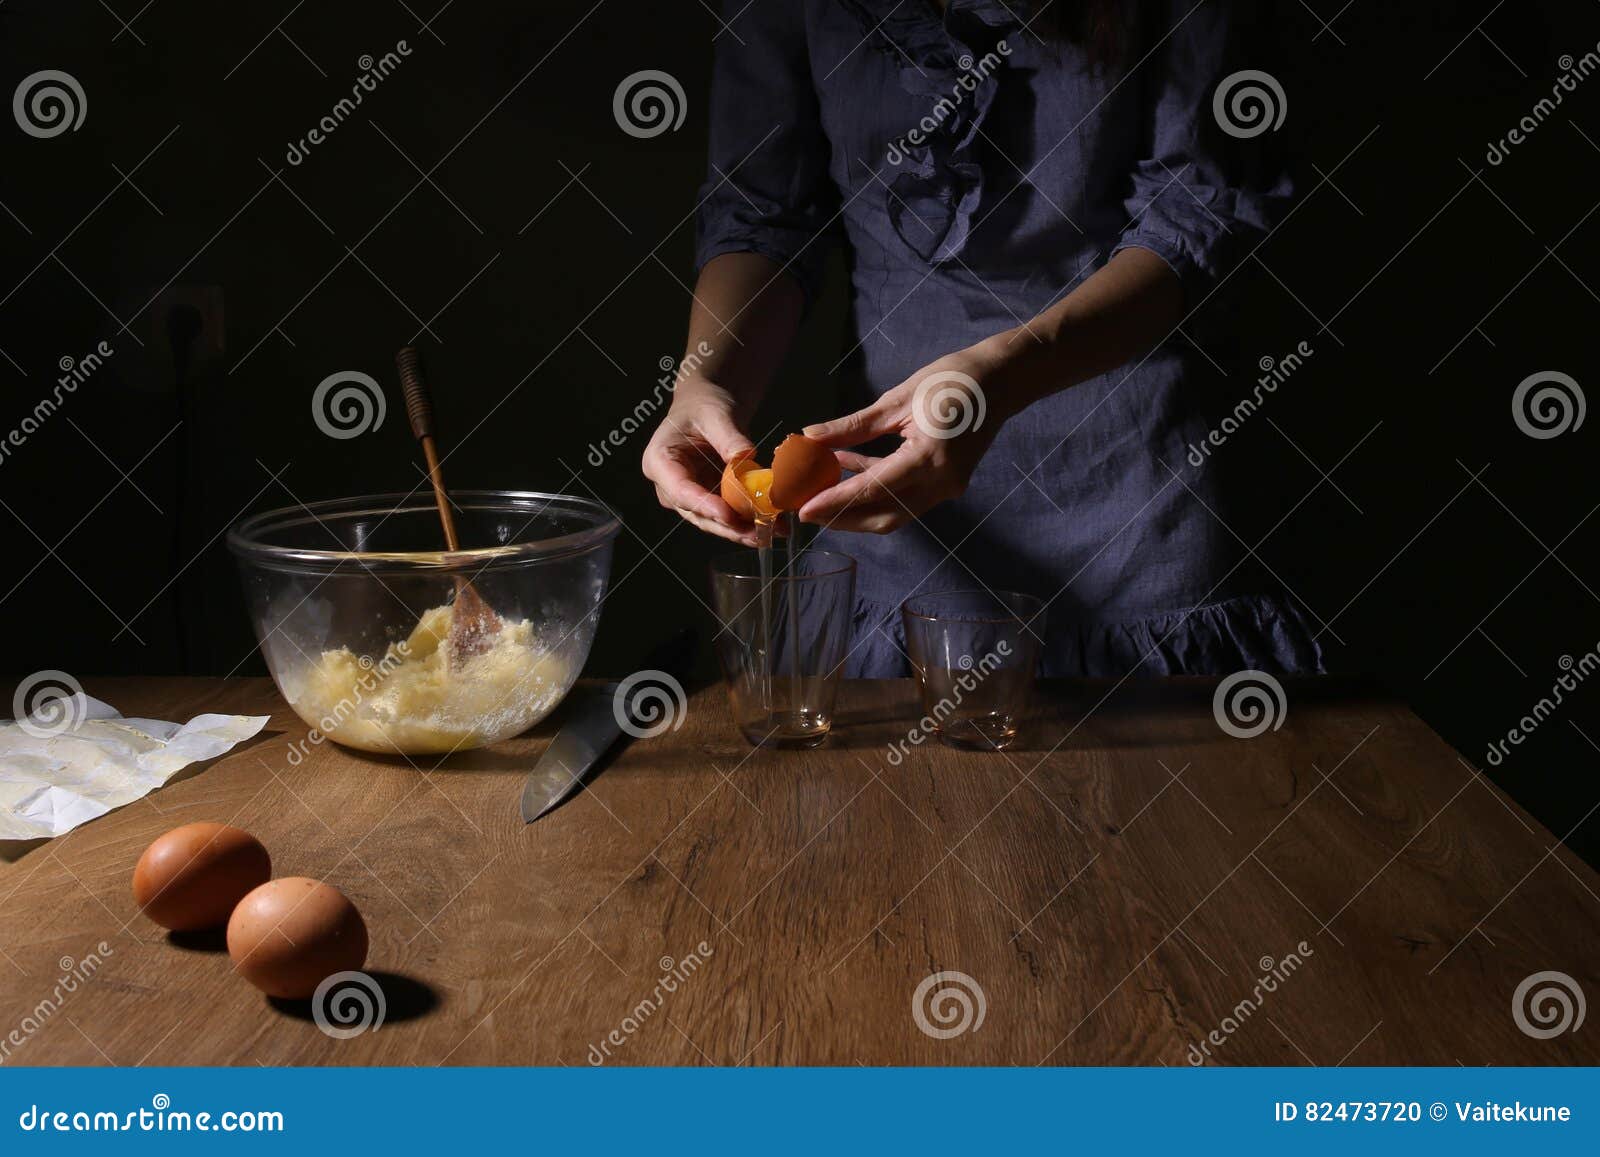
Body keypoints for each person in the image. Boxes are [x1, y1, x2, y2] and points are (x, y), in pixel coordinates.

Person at [642, 0, 1323, 678]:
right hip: (896, 525)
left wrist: (1001, 376)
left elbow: (1194, 216)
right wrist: (707, 381)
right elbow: (763, 214)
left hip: (1140, 516)